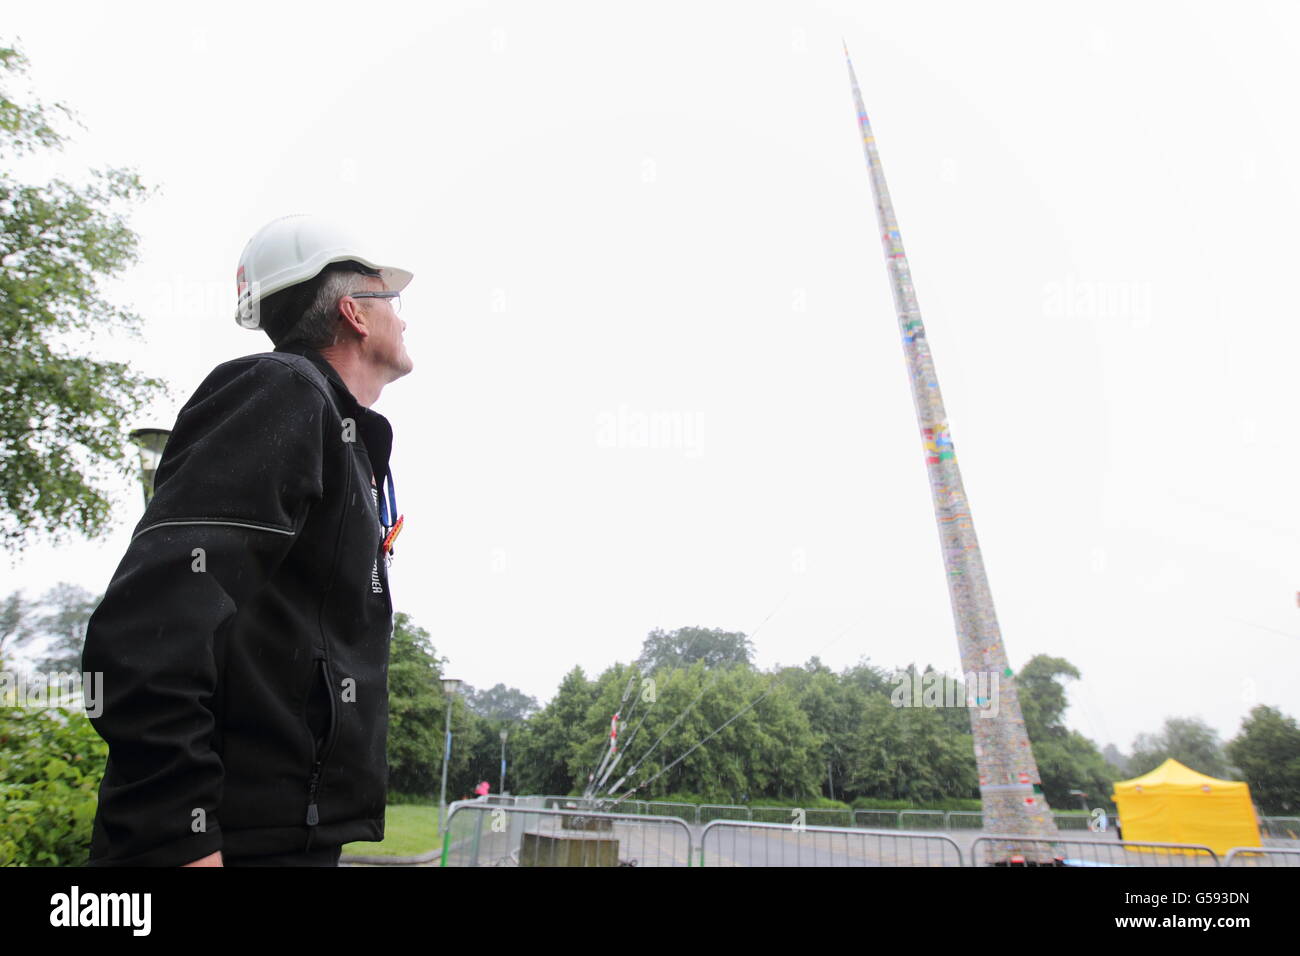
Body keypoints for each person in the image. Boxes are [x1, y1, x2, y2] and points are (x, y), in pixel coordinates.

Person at [81, 214, 414, 866]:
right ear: (355, 312)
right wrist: (178, 833)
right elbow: (145, 629)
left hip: (293, 836)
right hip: (225, 844)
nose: (404, 317)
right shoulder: (279, 392)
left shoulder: (336, 433)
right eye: (392, 299)